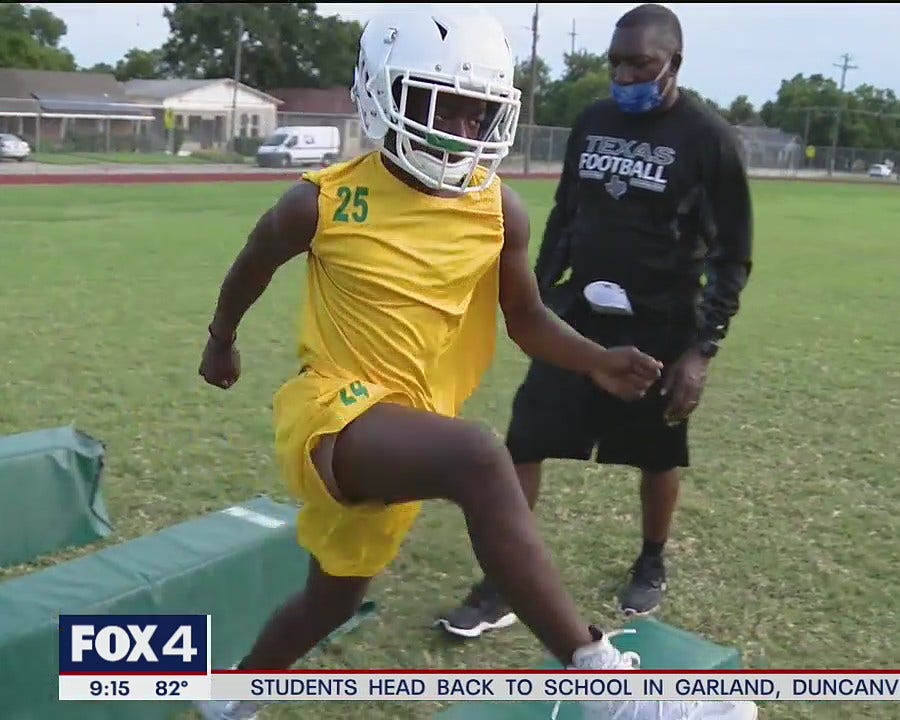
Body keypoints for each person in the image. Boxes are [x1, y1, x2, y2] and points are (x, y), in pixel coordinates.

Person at [192, 7, 757, 720]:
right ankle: (604, 685)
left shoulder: (498, 212)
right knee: (481, 457)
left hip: (411, 428)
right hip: (330, 413)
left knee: (330, 601)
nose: (461, 130)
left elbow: (526, 318)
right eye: (441, 106)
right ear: (382, 92)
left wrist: (595, 360)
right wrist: (221, 339)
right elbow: (252, 262)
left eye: (477, 112)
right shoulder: (322, 200)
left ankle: (231, 696)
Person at [439, 2, 754, 637]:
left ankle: (651, 559)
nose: (624, 76)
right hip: (579, 317)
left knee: (656, 453)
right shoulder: (592, 120)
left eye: (640, 63)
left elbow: (733, 251)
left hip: (660, 323)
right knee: (526, 439)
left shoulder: (709, 139)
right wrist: (538, 295)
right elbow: (566, 214)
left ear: (674, 63)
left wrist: (703, 349)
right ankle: (505, 579)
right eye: (616, 63)